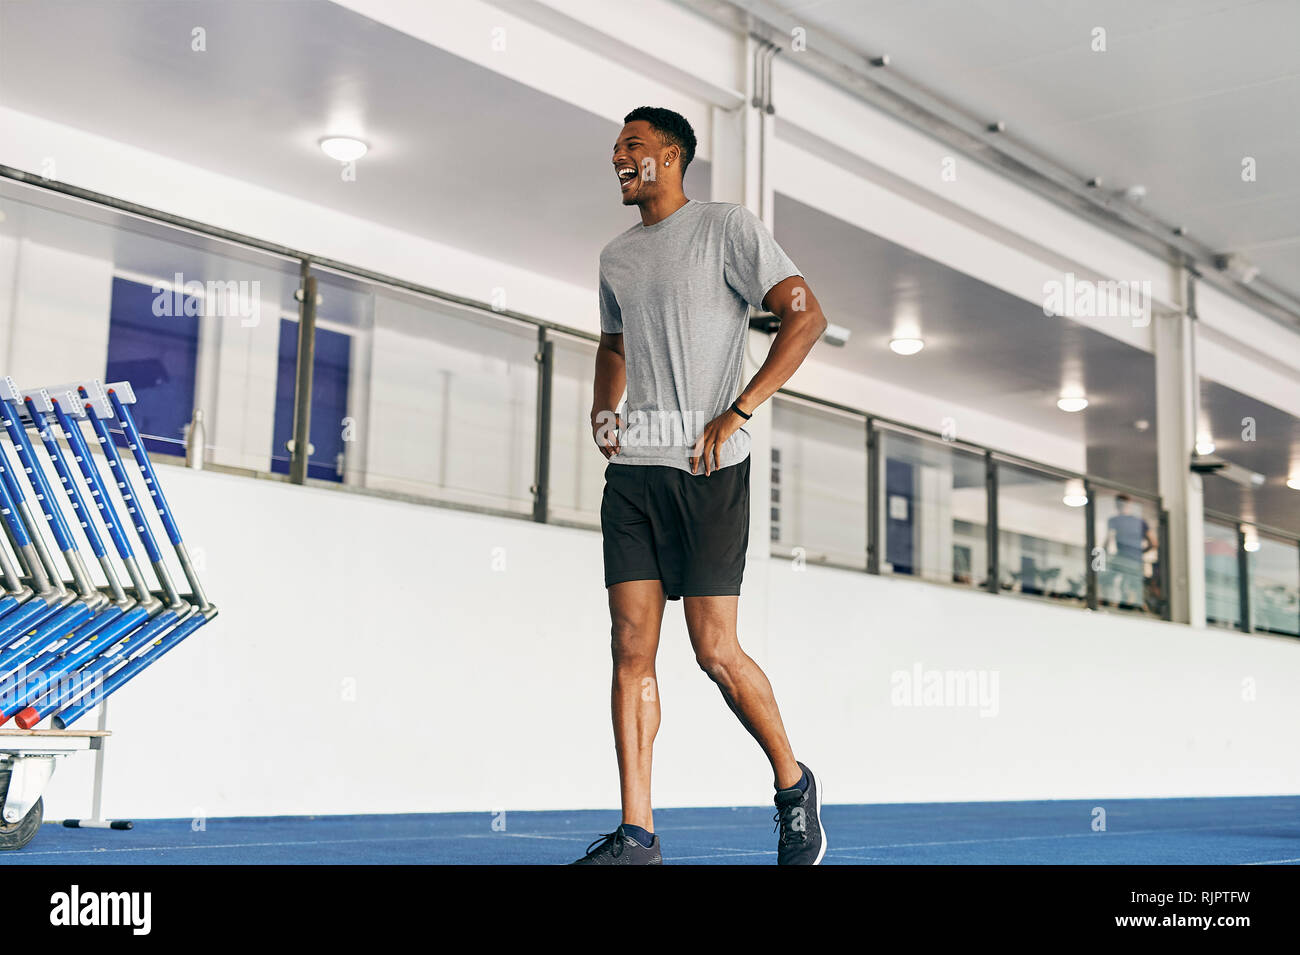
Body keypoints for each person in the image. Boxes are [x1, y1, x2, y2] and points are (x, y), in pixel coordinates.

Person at [571, 107, 829, 865]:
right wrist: (601, 405)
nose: (619, 156)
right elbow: (613, 342)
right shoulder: (615, 257)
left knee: (714, 650)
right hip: (635, 479)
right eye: (617, 147)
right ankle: (639, 836)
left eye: (634, 145)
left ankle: (793, 785)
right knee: (629, 647)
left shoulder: (726, 228)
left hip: (710, 472)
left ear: (673, 156)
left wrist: (741, 407)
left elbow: (805, 318)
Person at [1105, 494, 1155, 609]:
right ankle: (1135, 605)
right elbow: (1153, 543)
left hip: (1125, 557)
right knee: (1133, 584)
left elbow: (1107, 541)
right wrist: (1139, 552)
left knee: (1127, 584)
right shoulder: (1138, 522)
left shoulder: (1115, 520)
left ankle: (1132, 605)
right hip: (1131, 558)